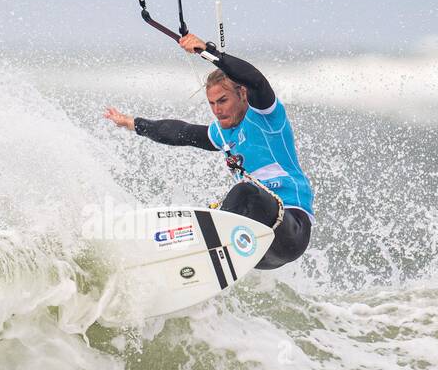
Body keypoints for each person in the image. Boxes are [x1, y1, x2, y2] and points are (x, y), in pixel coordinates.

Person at [102, 33, 313, 269]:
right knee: (205, 214)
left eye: (222, 101)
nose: (217, 110)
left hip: (290, 230)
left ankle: (210, 255)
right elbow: (180, 132)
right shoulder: (222, 134)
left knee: (244, 192)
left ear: (242, 94)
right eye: (211, 103)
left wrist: (209, 52)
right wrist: (133, 123)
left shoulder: (266, 117)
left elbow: (257, 81)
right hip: (257, 248)